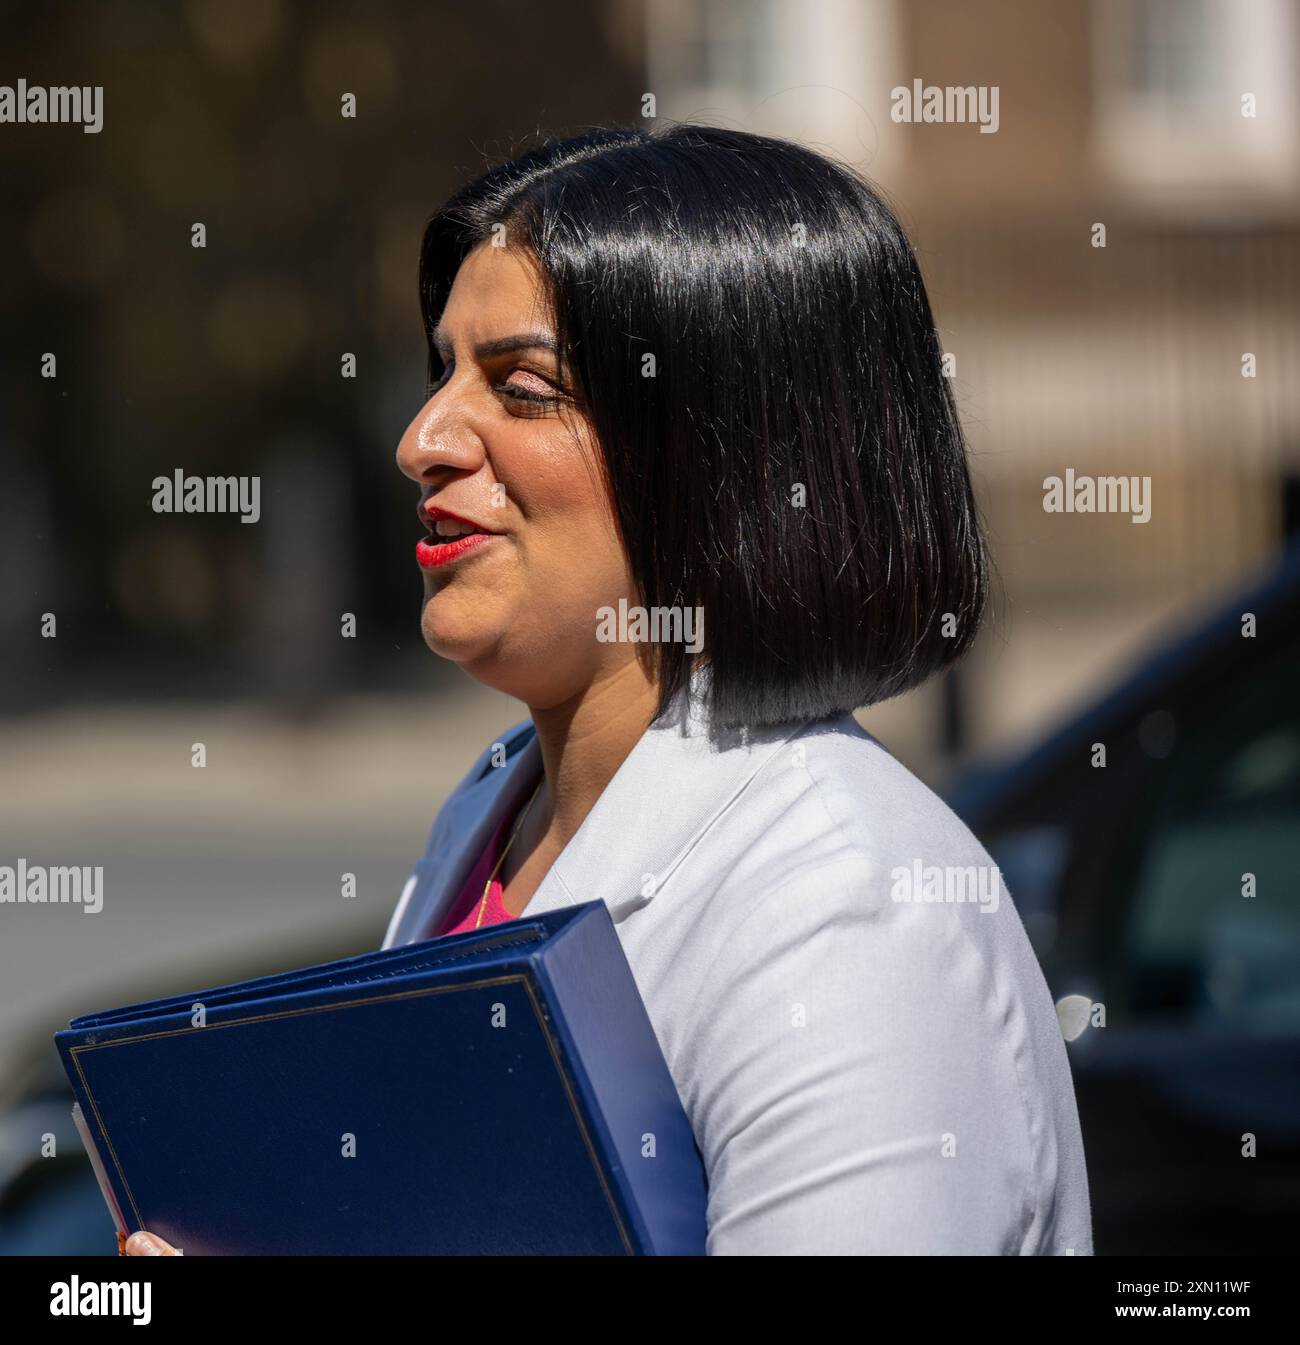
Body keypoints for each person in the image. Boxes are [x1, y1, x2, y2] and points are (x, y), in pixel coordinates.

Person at [130, 123, 1092, 1257]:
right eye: (443, 371)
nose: (424, 438)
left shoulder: (847, 903)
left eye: (521, 387)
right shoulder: (488, 819)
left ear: (725, 454)